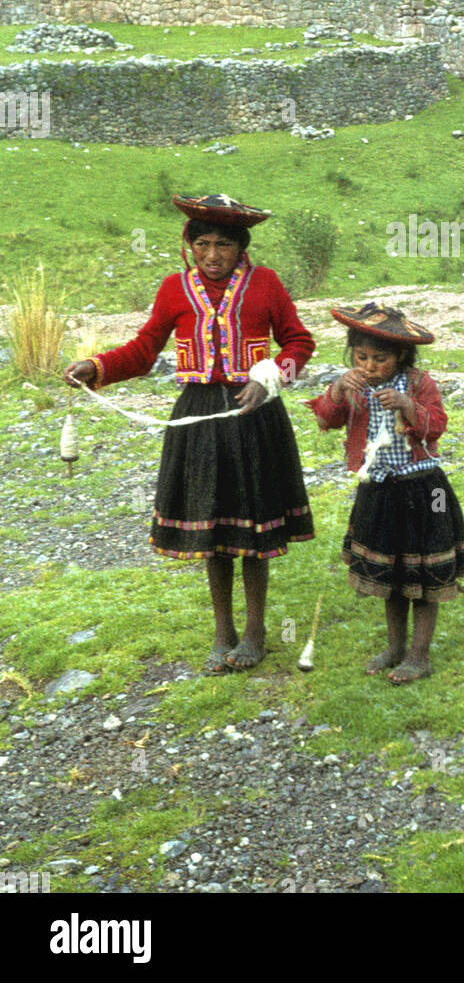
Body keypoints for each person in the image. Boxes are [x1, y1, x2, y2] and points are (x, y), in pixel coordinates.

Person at [63, 193, 315, 674]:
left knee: (253, 528)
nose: (213, 254)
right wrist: (95, 367)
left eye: (223, 244)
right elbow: (143, 349)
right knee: (212, 525)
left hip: (254, 415)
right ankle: (223, 633)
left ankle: (257, 632)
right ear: (190, 246)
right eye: (203, 244)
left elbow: (299, 342)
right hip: (198, 416)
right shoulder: (174, 290)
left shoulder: (265, 285)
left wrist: (269, 378)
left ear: (241, 248)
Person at [306, 302, 464, 684]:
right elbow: (323, 419)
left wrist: (406, 405)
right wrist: (335, 392)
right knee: (393, 573)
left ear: (400, 355)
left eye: (379, 359)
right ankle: (395, 648)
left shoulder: (418, 383)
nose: (369, 366)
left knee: (427, 575)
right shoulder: (352, 385)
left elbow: (437, 425)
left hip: (426, 489)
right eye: (361, 356)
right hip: (379, 490)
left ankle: (419, 655)